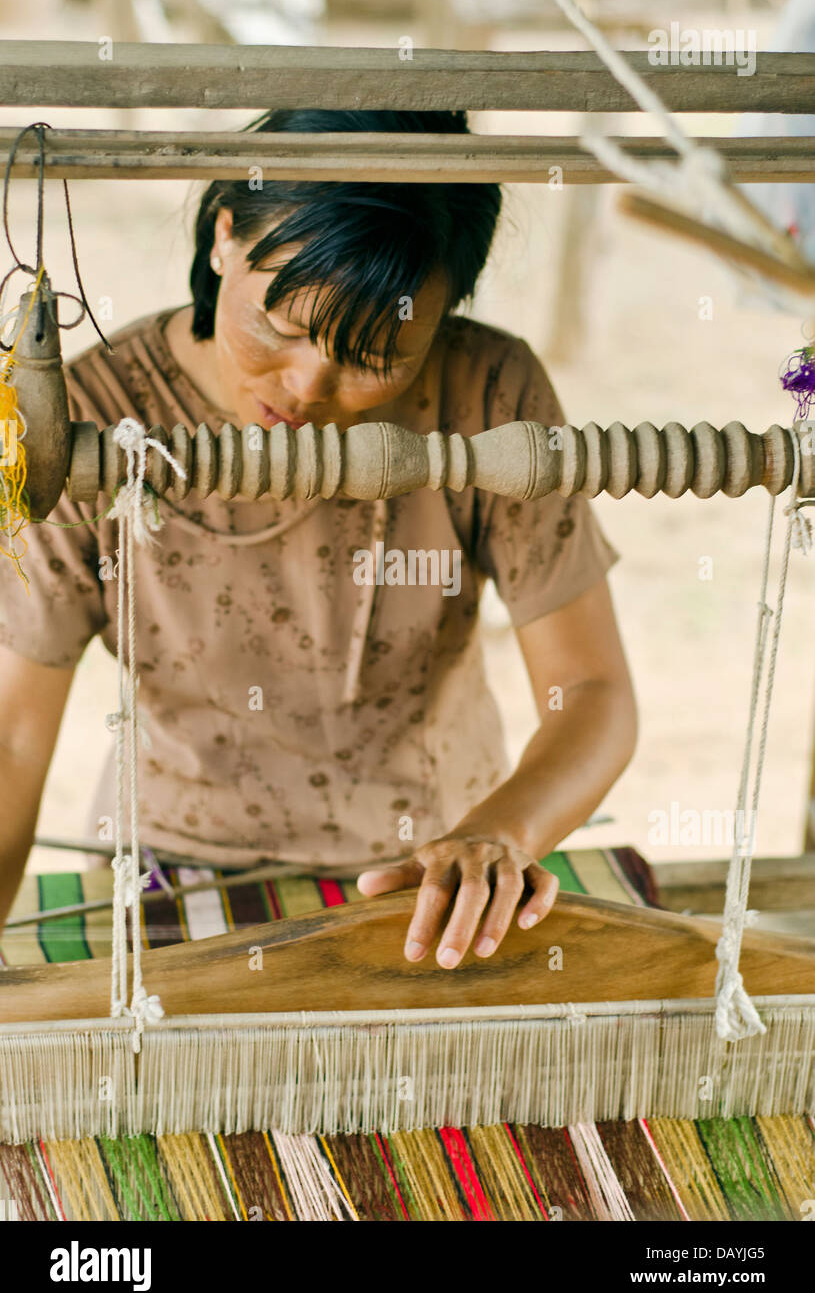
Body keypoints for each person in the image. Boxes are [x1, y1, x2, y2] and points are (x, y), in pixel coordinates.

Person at [0, 108, 637, 969]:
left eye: (374, 358)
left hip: (432, 865)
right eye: (281, 328)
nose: (305, 387)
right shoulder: (88, 426)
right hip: (176, 868)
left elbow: (591, 689)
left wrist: (498, 834)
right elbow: (9, 740)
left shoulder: (487, 394)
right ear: (225, 234)